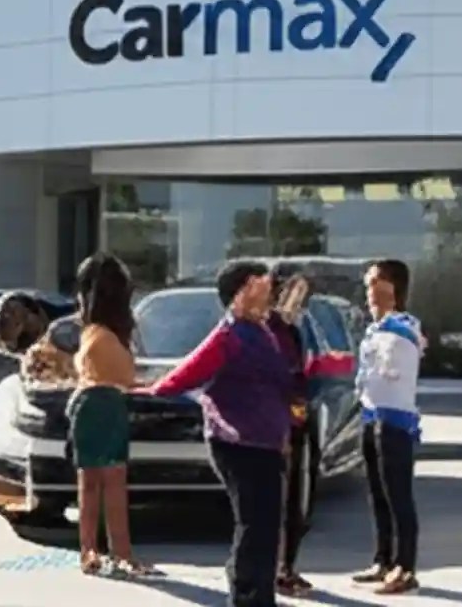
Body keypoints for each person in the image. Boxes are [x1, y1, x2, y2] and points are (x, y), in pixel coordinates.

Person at [141, 260, 294, 607]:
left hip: (266, 443)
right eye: (260, 282)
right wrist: (144, 391)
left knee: (268, 524)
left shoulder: (266, 331)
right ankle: (246, 596)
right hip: (237, 443)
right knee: (254, 523)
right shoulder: (229, 335)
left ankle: (262, 595)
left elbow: (282, 382)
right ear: (241, 291)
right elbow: (184, 376)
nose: (269, 286)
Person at [67, 253, 157, 577]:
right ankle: (117, 553)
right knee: (111, 482)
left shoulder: (92, 331)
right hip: (104, 405)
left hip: (94, 405)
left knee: (91, 482)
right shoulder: (105, 334)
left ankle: (93, 551)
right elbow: (122, 376)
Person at [351, 258, 424, 596]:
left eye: (375, 283)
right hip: (371, 414)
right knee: (377, 494)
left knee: (398, 496)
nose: (369, 292)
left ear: (393, 287)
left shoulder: (403, 326)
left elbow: (391, 367)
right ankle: (383, 559)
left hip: (395, 419)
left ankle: (405, 567)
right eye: (367, 284)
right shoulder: (375, 329)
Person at [265, 270, 313, 597]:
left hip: (296, 423)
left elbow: (299, 377)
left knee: (294, 501)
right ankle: (275, 571)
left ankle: (288, 567)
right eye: (293, 295)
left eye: (302, 298)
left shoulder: (292, 332)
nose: (297, 304)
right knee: (274, 503)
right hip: (272, 424)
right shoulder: (265, 331)